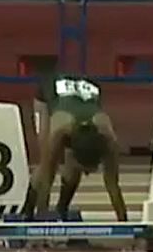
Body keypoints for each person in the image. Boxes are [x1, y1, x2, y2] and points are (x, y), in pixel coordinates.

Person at [27, 73, 128, 222]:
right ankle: (27, 210)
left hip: (85, 90)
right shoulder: (59, 128)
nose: (87, 174)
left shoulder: (108, 138)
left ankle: (62, 209)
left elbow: (113, 185)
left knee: (72, 170)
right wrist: (41, 220)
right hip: (48, 92)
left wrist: (124, 223)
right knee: (46, 164)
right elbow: (47, 177)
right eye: (86, 169)